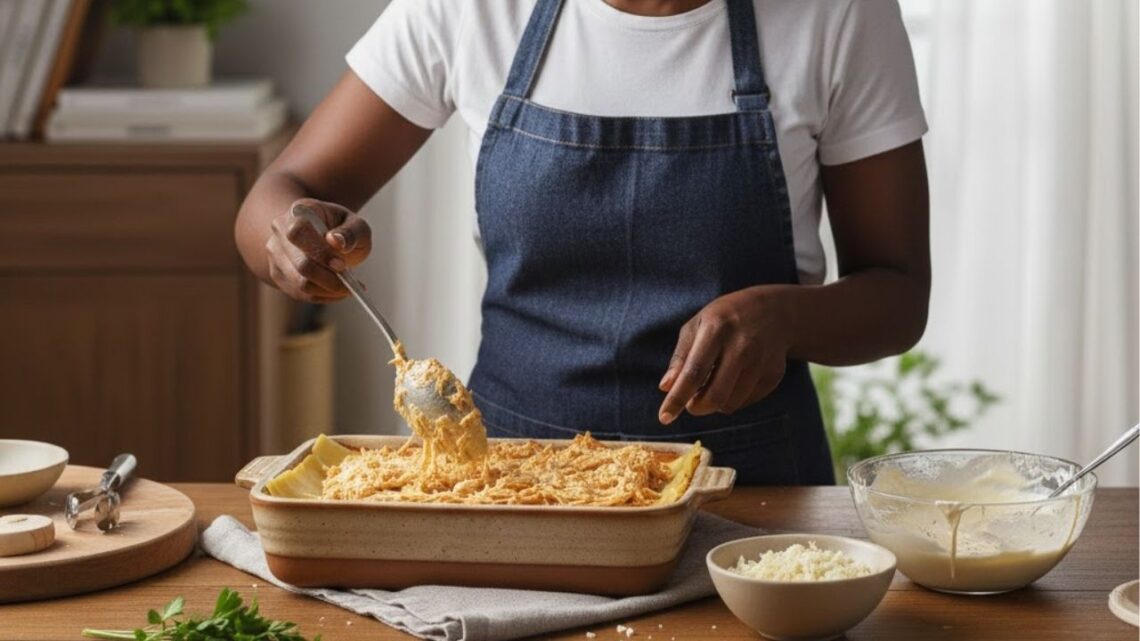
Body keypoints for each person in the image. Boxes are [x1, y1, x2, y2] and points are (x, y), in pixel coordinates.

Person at [235, 0, 930, 485]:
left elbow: (898, 294)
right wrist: (296, 238)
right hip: (505, 482)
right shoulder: (470, 10)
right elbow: (277, 197)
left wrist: (786, 317)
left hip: (749, 494)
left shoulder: (839, 14)